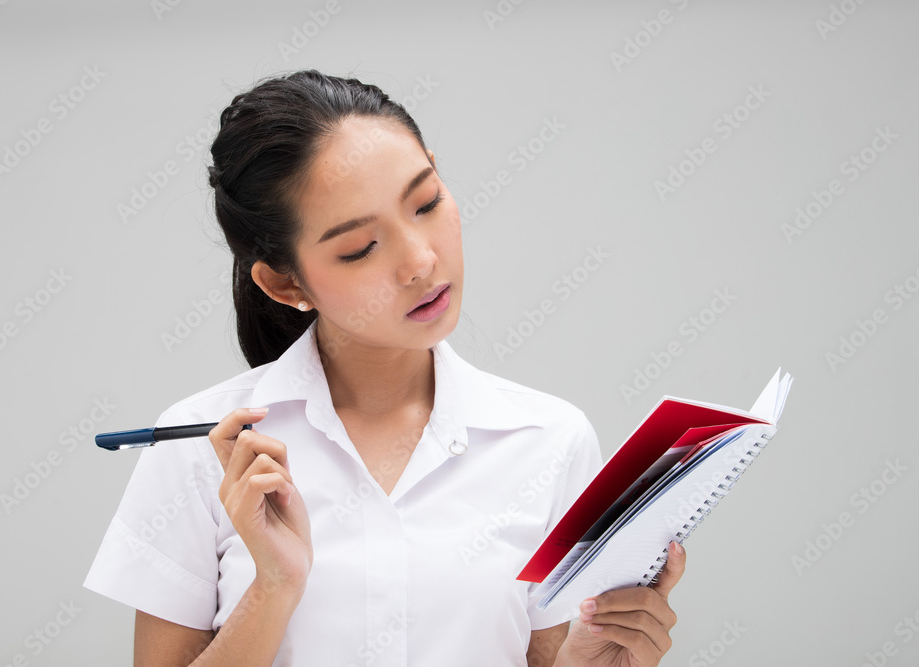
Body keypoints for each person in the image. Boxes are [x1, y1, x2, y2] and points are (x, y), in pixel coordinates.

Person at [84, 69, 685, 666]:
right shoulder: (203, 451)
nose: (420, 261)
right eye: (360, 248)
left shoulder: (550, 441)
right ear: (286, 283)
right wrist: (273, 587)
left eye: (426, 203)